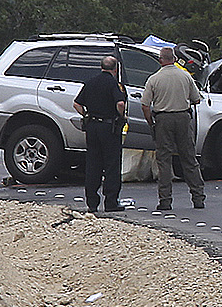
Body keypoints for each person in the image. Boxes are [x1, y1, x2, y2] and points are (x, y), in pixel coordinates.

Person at [141, 46, 206, 210]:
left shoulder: (154, 79)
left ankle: (165, 200)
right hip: (183, 117)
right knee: (189, 158)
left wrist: (151, 122)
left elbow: (145, 104)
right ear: (175, 59)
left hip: (163, 119)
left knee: (164, 160)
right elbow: (197, 99)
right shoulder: (185, 77)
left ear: (160, 60)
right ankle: (198, 197)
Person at [73, 56, 128, 212]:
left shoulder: (91, 82)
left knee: (93, 163)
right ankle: (110, 202)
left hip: (92, 127)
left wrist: (85, 115)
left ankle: (92, 202)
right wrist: (121, 116)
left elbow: (76, 103)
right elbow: (120, 103)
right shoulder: (113, 83)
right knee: (111, 164)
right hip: (108, 127)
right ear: (115, 69)